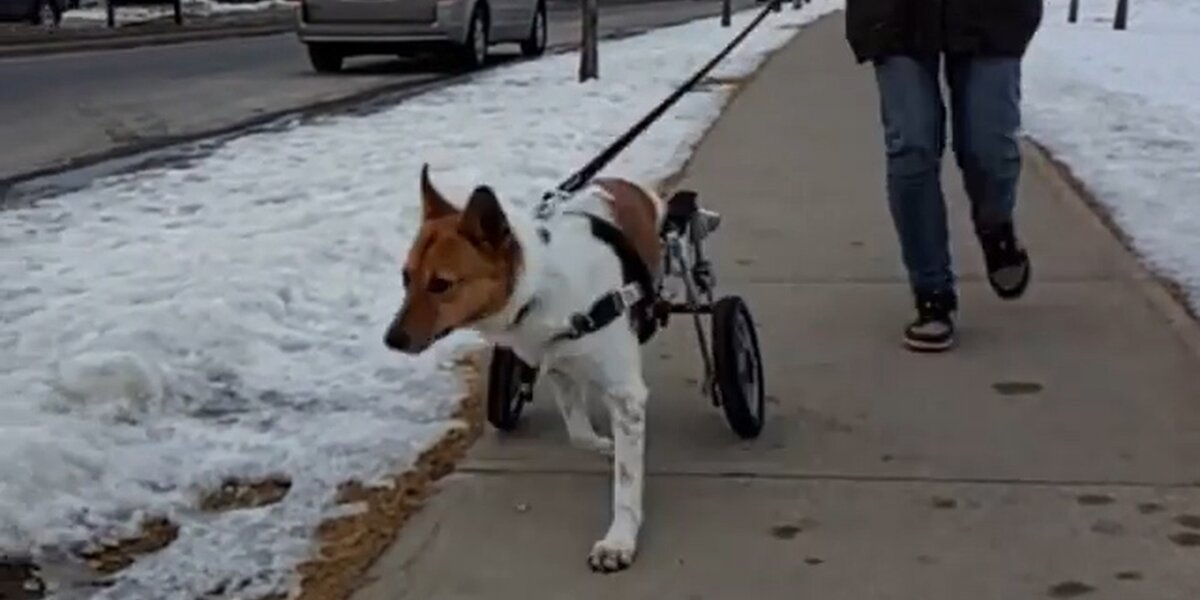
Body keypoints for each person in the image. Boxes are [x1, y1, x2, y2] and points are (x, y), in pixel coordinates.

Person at [845, 0, 1043, 352]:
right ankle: (931, 293)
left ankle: (995, 225)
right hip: (895, 14)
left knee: (989, 145)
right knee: (911, 146)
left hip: (991, 13)